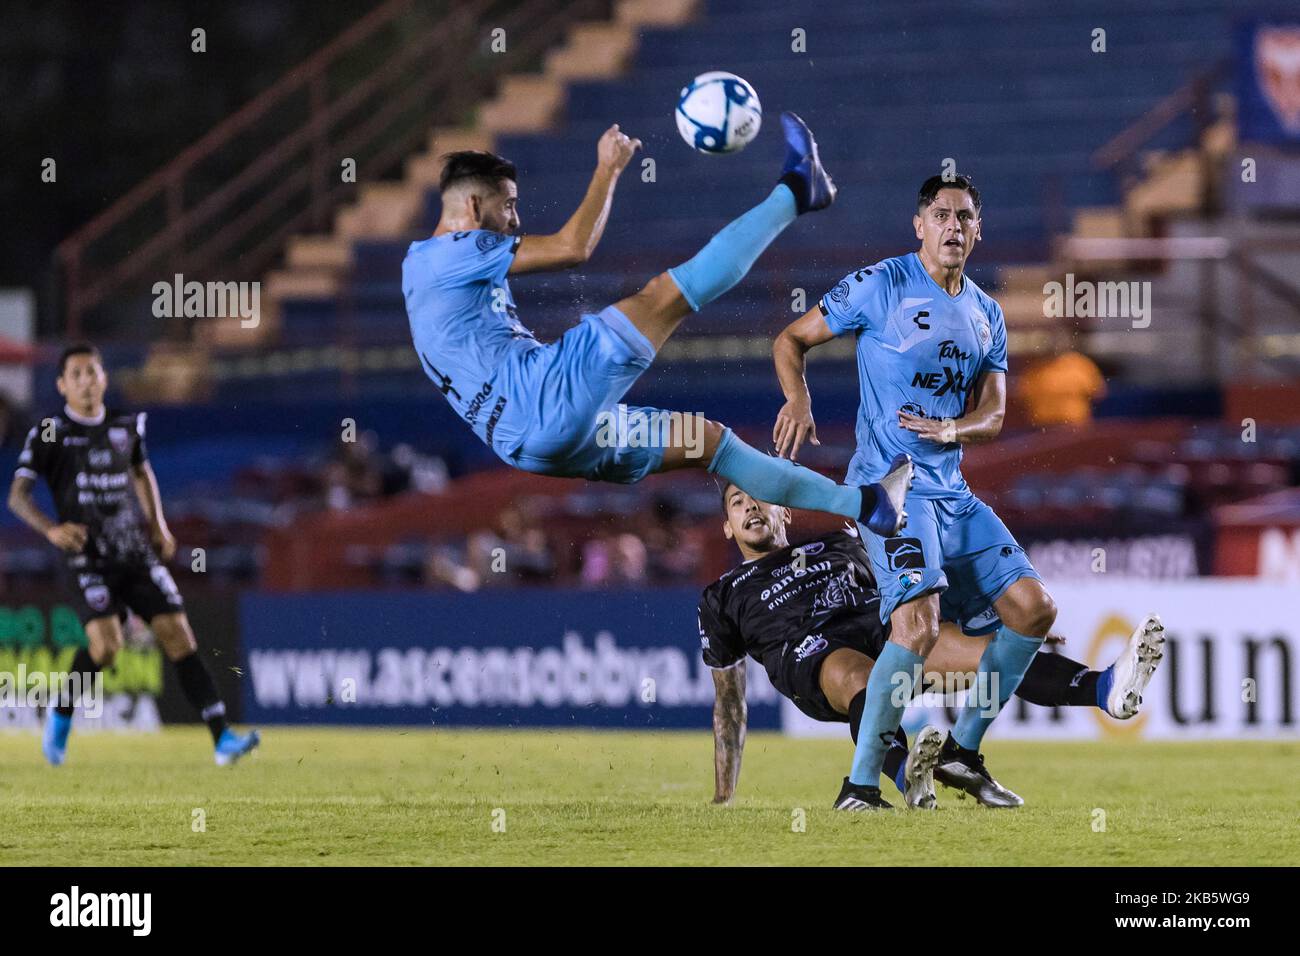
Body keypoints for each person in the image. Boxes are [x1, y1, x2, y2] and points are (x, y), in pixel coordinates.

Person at [402, 113, 911, 538]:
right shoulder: (447, 254)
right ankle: (799, 190)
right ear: (471, 206)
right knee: (666, 295)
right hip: (541, 395)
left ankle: (867, 506)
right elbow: (572, 247)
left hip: (531, 444)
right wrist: (609, 168)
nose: (514, 220)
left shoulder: (426, 270)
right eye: (507, 206)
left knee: (711, 443)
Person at [771, 174, 1076, 807]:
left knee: (1034, 609)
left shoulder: (988, 315)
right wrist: (797, 395)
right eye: (941, 215)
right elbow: (790, 338)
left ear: (978, 229)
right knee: (917, 625)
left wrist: (951, 427)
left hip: (950, 491)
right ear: (920, 226)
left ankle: (963, 755)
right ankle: (859, 786)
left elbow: (992, 416)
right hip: (891, 491)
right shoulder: (879, 285)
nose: (953, 227)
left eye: (965, 217)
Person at [701, 483, 1166, 809]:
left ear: (784, 510)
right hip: (812, 653)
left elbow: (913, 588)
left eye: (759, 496)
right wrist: (724, 794)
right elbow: (729, 703)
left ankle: (1105, 689)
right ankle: (909, 774)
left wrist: (1010, 628)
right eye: (737, 503)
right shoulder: (723, 593)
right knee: (860, 677)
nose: (750, 507)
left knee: (995, 653)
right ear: (727, 526)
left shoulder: (842, 543)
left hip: (885, 630)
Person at [7, 344, 260, 766]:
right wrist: (51, 529)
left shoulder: (127, 425)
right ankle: (62, 713)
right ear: (62, 385)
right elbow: (18, 496)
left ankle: (222, 740)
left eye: (93, 371)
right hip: (85, 556)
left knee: (178, 634)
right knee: (106, 647)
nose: (87, 380)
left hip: (134, 552)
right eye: (77, 374)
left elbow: (143, 473)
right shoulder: (50, 431)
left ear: (105, 378)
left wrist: (158, 524)